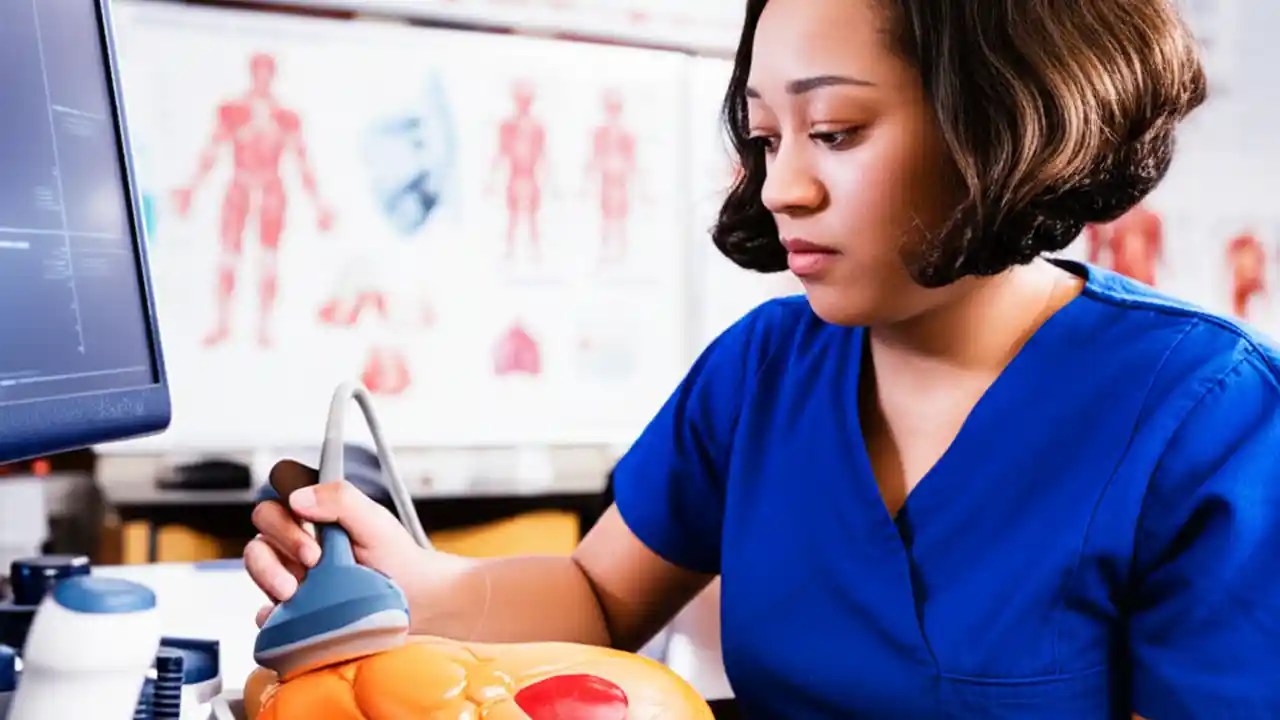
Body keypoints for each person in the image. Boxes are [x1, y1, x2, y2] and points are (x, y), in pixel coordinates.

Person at [245, 0, 1280, 717]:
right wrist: (410, 581)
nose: (781, 187)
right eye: (763, 137)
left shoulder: (1205, 417)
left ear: (1001, 121)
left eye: (833, 131)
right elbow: (597, 600)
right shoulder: (762, 372)